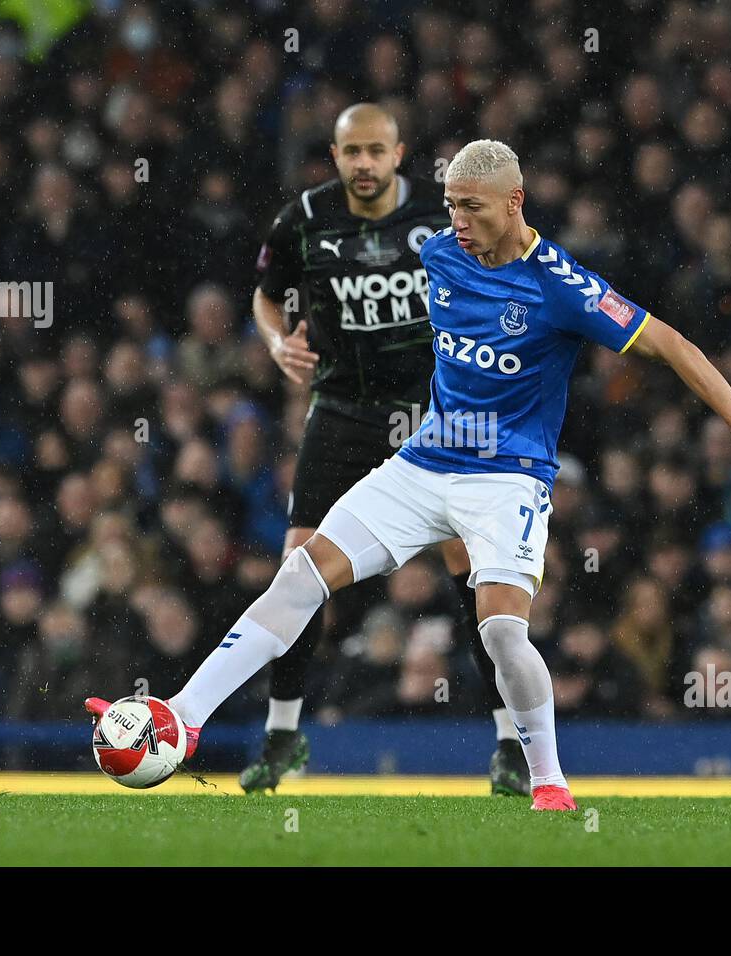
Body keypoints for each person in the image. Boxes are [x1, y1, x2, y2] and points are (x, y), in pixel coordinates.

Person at [87, 139, 731, 810]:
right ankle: (181, 716)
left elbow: (673, 344)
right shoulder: (440, 254)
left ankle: (549, 780)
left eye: (472, 206)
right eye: (450, 205)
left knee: (500, 632)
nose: (457, 221)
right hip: (423, 463)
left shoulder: (561, 286)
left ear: (514, 201)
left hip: (508, 482)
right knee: (301, 574)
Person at [241, 104, 527, 794]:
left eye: (376, 150)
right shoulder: (305, 219)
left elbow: (503, 268)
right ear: (335, 157)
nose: (364, 163)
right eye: (352, 152)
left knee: (468, 563)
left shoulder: (441, 213)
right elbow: (266, 295)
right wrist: (277, 342)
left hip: (433, 409)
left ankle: (510, 744)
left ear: (398, 154)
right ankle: (282, 735)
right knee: (300, 564)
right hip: (342, 409)